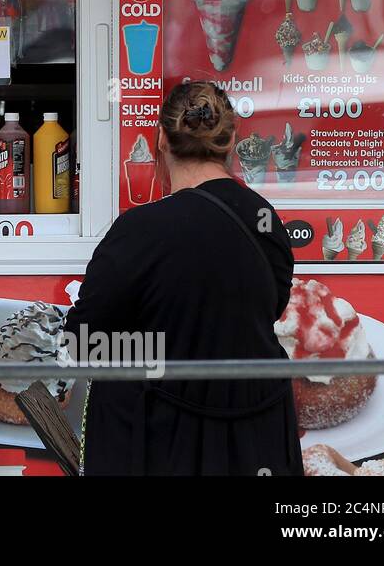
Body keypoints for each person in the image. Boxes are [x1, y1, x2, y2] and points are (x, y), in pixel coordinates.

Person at [65, 81, 301, 475]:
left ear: (161, 138)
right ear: (231, 141)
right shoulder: (265, 220)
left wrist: (155, 352)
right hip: (257, 443)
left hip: (162, 446)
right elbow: (266, 312)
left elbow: (84, 340)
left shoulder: (141, 229)